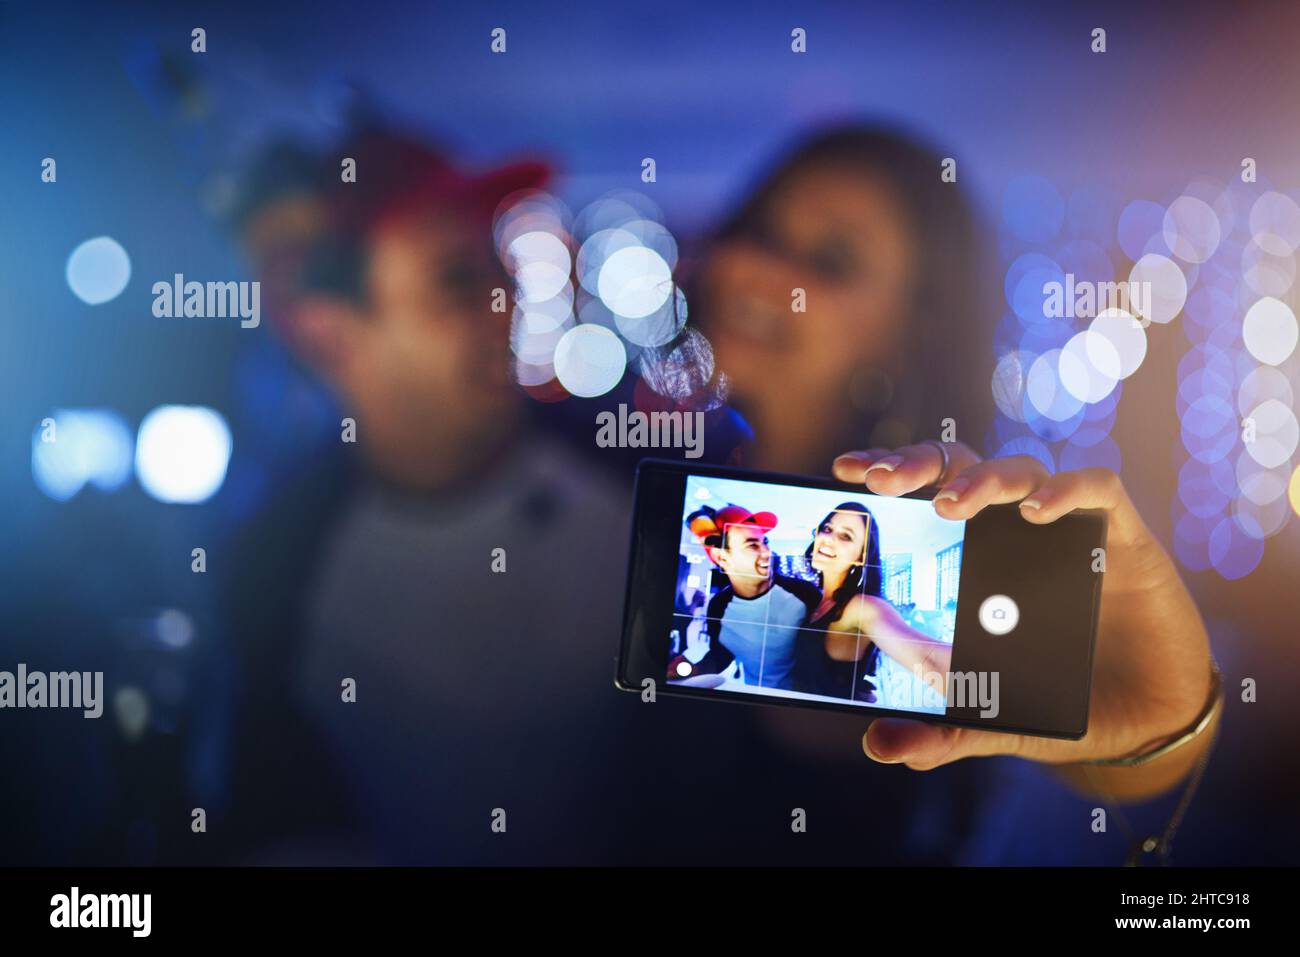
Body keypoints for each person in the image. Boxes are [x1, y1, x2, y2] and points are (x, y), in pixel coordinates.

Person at [670, 504, 819, 689]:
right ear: (721, 558)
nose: (767, 552)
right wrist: (689, 669)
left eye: (765, 542)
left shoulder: (805, 595)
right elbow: (721, 656)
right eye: (753, 545)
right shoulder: (719, 605)